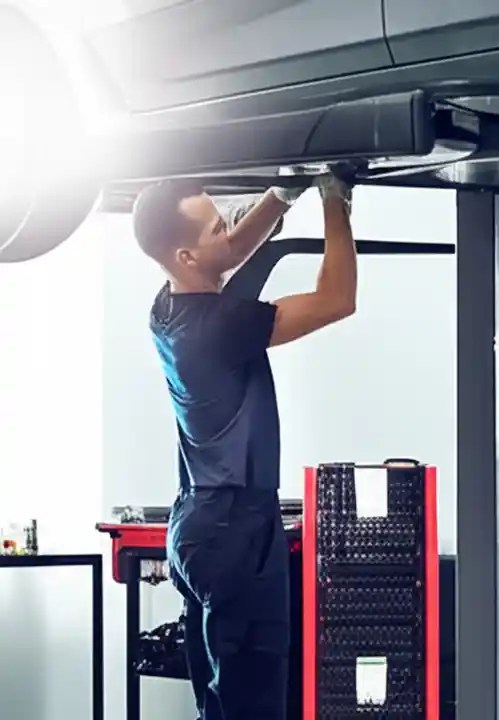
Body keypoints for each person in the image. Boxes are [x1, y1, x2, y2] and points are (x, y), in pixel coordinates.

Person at [133, 172, 357, 720]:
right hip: (236, 532)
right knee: (251, 704)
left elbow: (230, 250)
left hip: (199, 526)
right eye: (216, 227)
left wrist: (283, 194)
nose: (228, 230)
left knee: (224, 700)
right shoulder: (221, 326)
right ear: (186, 256)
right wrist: (335, 198)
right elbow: (337, 299)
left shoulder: (166, 307)